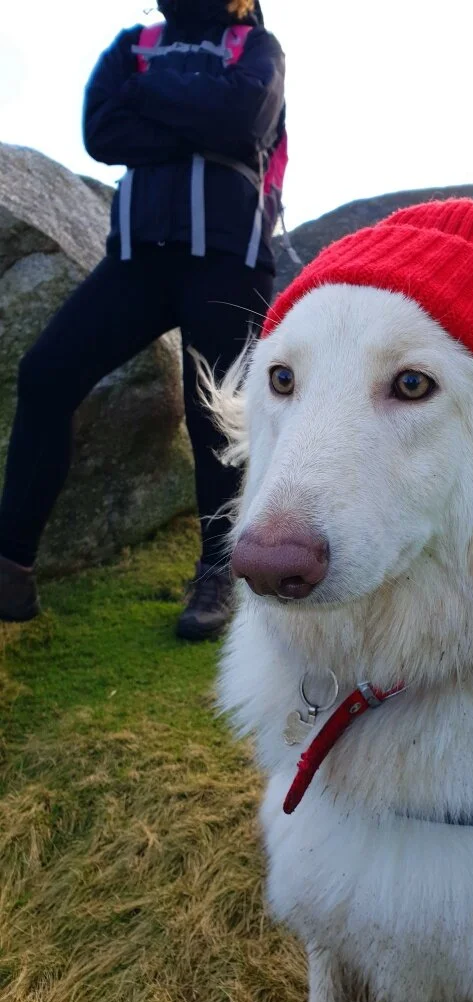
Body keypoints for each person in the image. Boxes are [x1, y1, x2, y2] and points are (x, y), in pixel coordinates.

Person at [0, 0, 285, 640]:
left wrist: (148, 94)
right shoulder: (135, 42)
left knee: (218, 415)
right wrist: (201, 120)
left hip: (228, 257)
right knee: (45, 373)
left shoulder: (256, 49)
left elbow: (242, 119)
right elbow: (102, 132)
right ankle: (10, 566)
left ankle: (220, 572)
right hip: (137, 258)